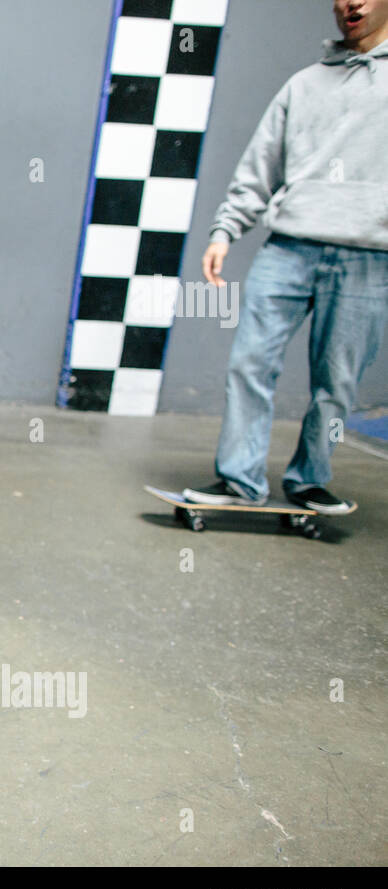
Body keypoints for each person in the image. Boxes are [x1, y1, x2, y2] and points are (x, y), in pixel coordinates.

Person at [187, 0, 387, 515]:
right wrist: (224, 231)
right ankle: (239, 481)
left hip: (370, 258)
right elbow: (260, 164)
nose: (353, 4)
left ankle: (310, 481)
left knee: (336, 383)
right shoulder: (303, 85)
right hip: (289, 247)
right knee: (250, 362)